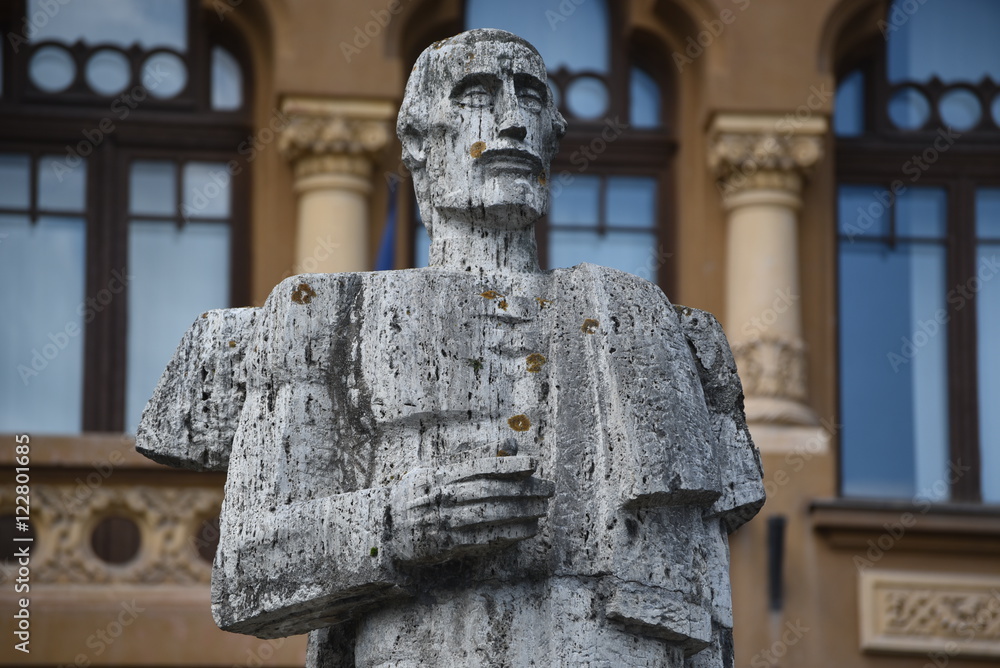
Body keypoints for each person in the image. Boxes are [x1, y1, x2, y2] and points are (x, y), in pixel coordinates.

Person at [137, 29, 764, 668]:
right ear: (416, 139)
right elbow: (243, 572)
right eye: (477, 95)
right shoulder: (322, 314)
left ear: (553, 137)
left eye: (531, 99)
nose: (512, 121)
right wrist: (390, 524)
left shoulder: (656, 327)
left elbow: (705, 596)